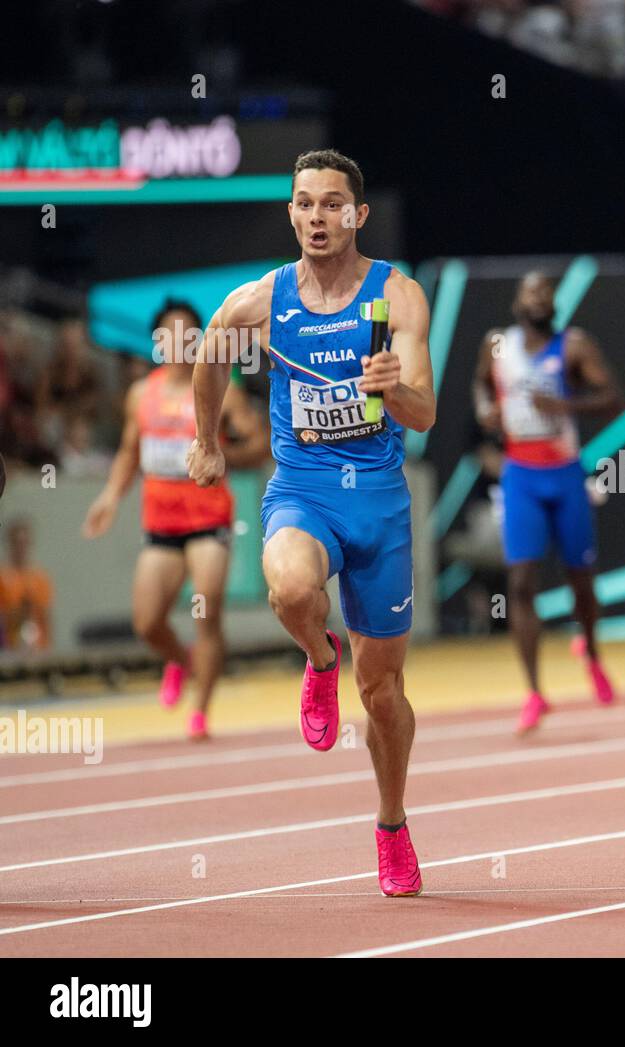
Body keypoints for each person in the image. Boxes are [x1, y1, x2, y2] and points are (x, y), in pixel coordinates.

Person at [188, 149, 436, 897]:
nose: (317, 217)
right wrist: (205, 442)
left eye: (333, 204)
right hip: (303, 489)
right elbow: (207, 355)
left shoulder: (398, 295)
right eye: (304, 203)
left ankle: (391, 822)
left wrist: (395, 390)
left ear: (357, 215)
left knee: (383, 692)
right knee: (291, 591)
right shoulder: (262, 301)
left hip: (380, 505)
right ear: (290, 212)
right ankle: (317, 658)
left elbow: (425, 414)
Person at [83, 300, 269, 740]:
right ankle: (180, 661)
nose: (179, 343)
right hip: (162, 525)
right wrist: (110, 496)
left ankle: (200, 713)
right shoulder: (140, 395)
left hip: (209, 520)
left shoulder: (222, 390)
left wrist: (224, 455)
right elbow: (131, 452)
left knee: (207, 613)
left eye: (189, 334)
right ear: (156, 342)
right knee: (147, 622)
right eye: (169, 334)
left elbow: (261, 444)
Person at [472, 273, 623, 734]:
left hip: (564, 473)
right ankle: (535, 692)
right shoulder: (497, 345)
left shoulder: (574, 346)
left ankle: (591, 651)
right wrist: (484, 410)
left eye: (546, 293)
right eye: (530, 291)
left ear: (553, 304)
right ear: (517, 300)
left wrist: (566, 406)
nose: (537, 299)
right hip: (520, 474)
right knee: (521, 581)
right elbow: (480, 385)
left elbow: (613, 397)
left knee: (580, 578)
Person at [0, 517, 52, 650]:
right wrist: (18, 612)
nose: (21, 548)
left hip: (37, 646)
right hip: (8, 646)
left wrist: (48, 647)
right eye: (17, 543)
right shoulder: (3, 577)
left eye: (24, 543)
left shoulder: (40, 578)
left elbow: (46, 617)